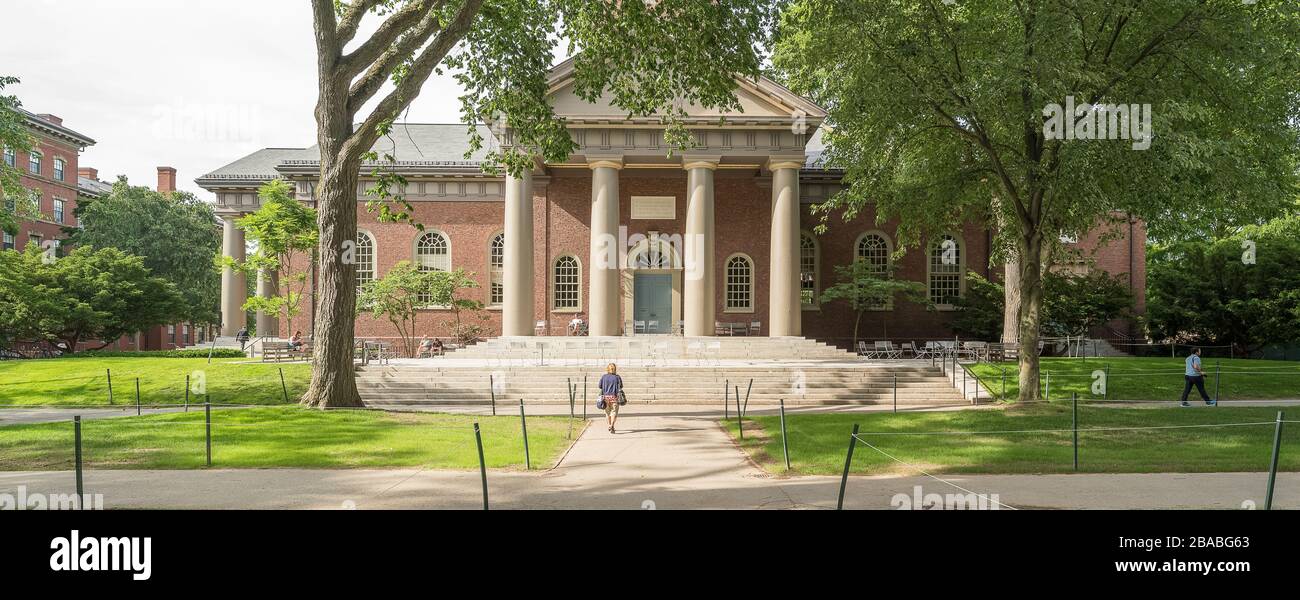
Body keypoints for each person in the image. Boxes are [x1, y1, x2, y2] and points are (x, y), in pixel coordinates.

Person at [599, 363, 624, 434]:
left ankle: (609, 425)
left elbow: (600, 386)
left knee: (607, 413)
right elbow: (621, 386)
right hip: (614, 397)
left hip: (606, 398)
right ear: (615, 369)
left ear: (607, 369)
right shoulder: (617, 377)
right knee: (614, 412)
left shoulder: (604, 377)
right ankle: (612, 425)